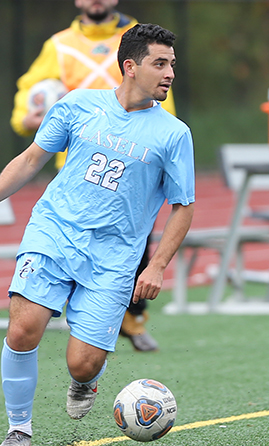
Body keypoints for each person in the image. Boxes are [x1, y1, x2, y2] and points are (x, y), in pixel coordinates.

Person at [0, 23, 194, 446]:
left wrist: (157, 265)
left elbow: (184, 206)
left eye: (172, 65)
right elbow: (32, 159)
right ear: (130, 67)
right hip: (54, 232)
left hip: (114, 258)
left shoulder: (174, 134)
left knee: (83, 363)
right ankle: (19, 429)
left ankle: (85, 381)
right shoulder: (78, 105)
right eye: (159, 64)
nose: (170, 74)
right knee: (21, 331)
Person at [10, 0, 178, 352]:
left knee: (135, 249)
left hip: (134, 170)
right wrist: (25, 118)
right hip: (76, 167)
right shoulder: (59, 45)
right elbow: (32, 90)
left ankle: (130, 320)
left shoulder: (138, 38)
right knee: (64, 245)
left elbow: (165, 108)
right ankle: (63, 309)